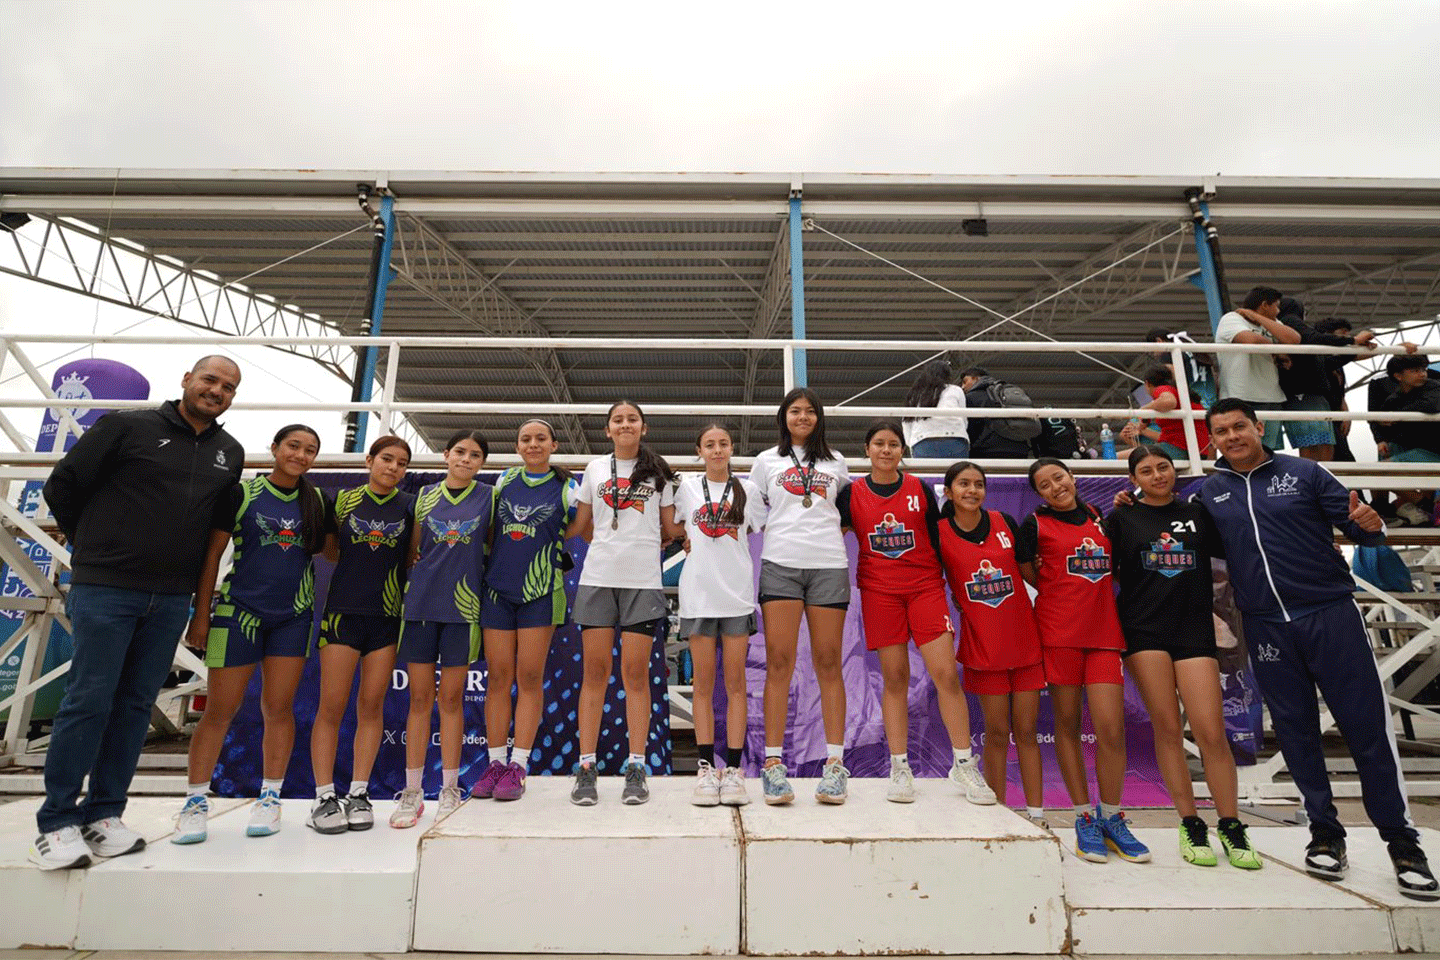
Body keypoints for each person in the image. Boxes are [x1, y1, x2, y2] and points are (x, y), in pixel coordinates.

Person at [1201, 398, 1437, 899]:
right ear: (1212, 440)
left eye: (1239, 426)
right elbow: (1181, 539)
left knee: (1366, 727)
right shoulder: (1210, 494)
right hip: (1266, 626)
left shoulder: (1304, 474)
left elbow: (1359, 529)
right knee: (1296, 731)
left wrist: (1372, 526)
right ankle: (1325, 835)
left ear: (1258, 426)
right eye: (1221, 431)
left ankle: (1403, 844)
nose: (1232, 436)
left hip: (1329, 614)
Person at [29, 356, 243, 870]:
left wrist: (197, 605)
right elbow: (62, 486)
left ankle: (104, 815)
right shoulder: (127, 425)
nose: (217, 391)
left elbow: (215, 531)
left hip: (170, 597)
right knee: (88, 701)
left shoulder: (227, 452)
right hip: (107, 587)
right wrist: (94, 543)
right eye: (210, 380)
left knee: (133, 706)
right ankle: (57, 821)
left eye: (228, 387)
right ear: (187, 379)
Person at [174, 424, 330, 843]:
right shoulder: (242, 493)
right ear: (275, 448)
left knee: (279, 709)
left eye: (310, 450)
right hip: (236, 615)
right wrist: (200, 615)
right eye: (293, 446)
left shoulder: (315, 499)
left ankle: (270, 798)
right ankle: (193, 802)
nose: (300, 455)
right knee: (219, 710)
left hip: (293, 619)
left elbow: (335, 551)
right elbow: (212, 555)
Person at [1108, 445, 1260, 868]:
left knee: (1211, 733)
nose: (1157, 475)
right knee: (1168, 730)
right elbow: (1109, 572)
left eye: (1163, 468)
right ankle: (1190, 824)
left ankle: (1231, 826)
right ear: (1133, 479)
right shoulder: (1120, 518)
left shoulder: (1198, 515)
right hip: (1144, 632)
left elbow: (1234, 554)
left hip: (1194, 632)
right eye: (1146, 470)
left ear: (1174, 472)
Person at [837, 421, 995, 805]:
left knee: (945, 675)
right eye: (879, 444)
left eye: (893, 444)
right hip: (879, 592)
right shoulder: (851, 494)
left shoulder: (920, 490)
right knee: (895, 678)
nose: (886, 450)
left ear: (903, 451)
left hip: (924, 589)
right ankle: (899, 767)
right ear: (867, 449)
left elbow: (942, 540)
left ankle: (962, 764)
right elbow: (828, 535)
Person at [1017, 458, 1149, 865]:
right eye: (1045, 484)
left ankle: (1111, 817)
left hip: (1104, 636)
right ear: (1038, 493)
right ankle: (1083, 818)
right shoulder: (1034, 526)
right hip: (1059, 637)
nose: (1055, 487)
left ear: (1072, 478)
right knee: (1068, 726)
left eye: (1059, 477)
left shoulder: (1100, 517)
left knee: (1111, 729)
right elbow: (1029, 573)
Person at [569, 401, 678, 806]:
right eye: (619, 420)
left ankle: (636, 766)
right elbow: (581, 526)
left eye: (632, 419)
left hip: (642, 584)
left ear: (643, 428)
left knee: (635, 676)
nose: (626, 424)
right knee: (594, 675)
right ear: (608, 429)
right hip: (597, 580)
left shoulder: (659, 473)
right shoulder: (595, 469)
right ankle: (586, 768)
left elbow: (669, 529)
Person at [750, 388, 853, 805]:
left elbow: (844, 515)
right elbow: (754, 514)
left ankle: (834, 765)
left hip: (828, 564)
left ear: (819, 418)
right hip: (780, 564)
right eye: (795, 411)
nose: (803, 417)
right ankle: (773, 765)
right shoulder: (765, 461)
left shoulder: (837, 462)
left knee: (829, 661)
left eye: (810, 411)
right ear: (783, 417)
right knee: (779, 662)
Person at [307, 435, 414, 833]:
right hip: (341, 616)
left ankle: (358, 792)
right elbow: (331, 552)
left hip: (386, 617)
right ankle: (323, 797)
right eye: (386, 459)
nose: (393, 468)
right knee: (331, 707)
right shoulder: (344, 501)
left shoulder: (410, 506)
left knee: (371, 707)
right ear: (369, 460)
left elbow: (411, 555)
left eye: (401, 463)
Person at [390, 430, 492, 829]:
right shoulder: (425, 498)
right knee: (419, 701)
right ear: (446, 454)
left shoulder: (488, 496)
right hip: (420, 607)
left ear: (482, 463)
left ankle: (450, 787)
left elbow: (490, 544)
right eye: (460, 452)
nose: (466, 460)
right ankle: (413, 791)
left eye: (475, 455)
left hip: (463, 611)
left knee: (451, 701)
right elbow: (414, 550)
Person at [935, 461, 1046, 824]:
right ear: (948, 492)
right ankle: (1000, 818)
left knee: (1027, 733)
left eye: (978, 484)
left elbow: (1033, 573)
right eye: (963, 484)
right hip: (983, 647)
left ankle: (1036, 814)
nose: (972, 490)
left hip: (1025, 640)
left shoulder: (1005, 523)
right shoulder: (938, 533)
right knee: (997, 733)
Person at [475, 419, 578, 802]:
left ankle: (518, 765)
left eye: (540, 439)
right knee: (499, 678)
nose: (533, 444)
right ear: (518, 446)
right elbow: (488, 533)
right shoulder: (504, 482)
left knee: (530, 677)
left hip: (541, 593)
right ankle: (494, 763)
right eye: (526, 439)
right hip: (498, 591)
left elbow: (581, 526)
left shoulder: (567, 486)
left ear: (553, 444)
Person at [674, 423, 766, 807]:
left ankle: (732, 770)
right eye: (709, 444)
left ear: (731, 449)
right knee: (703, 686)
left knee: (735, 685)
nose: (717, 450)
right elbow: (676, 528)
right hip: (698, 597)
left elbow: (755, 529)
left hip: (737, 598)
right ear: (699, 450)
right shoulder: (686, 488)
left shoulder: (750, 491)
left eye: (723, 443)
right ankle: (704, 768)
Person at [1275, 297, 1378, 462]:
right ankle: (1314, 484)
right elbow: (1314, 340)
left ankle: (1321, 483)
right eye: (1342, 333)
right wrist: (1354, 341)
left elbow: (1329, 362)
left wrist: (1354, 346)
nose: (1346, 336)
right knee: (1313, 444)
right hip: (1303, 394)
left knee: (1325, 446)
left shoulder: (1316, 354)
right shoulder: (1289, 320)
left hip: (1316, 397)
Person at [1213, 285, 1301, 450]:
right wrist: (1277, 350)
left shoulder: (1272, 323)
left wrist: (1257, 317)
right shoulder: (1232, 318)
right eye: (1276, 305)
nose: (1278, 310)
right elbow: (1251, 341)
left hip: (1273, 397)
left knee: (1269, 451)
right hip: (1242, 396)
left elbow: (1294, 339)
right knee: (1244, 449)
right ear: (1265, 305)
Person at [1375, 354, 1440, 527]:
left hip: (1434, 451)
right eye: (1415, 371)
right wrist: (1381, 439)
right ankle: (1387, 508)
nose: (1422, 374)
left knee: (1380, 471)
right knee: (1382, 457)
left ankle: (1425, 506)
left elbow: (1432, 406)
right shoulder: (1395, 398)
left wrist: (1398, 417)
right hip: (1417, 448)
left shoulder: (1434, 388)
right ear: (1398, 376)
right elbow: (1379, 419)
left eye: (1423, 370)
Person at [1120, 366, 1211, 462]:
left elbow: (1169, 401)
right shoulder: (1177, 393)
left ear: (1147, 384)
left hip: (1181, 450)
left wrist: (1144, 409)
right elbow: (1168, 437)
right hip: (1196, 450)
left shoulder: (1162, 389)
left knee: (1115, 458)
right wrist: (1142, 428)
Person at [960, 367, 1034, 461]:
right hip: (1019, 449)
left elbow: (971, 428)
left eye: (965, 381)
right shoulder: (1006, 393)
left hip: (986, 451)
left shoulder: (971, 397)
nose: (963, 387)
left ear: (976, 378)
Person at [902, 359, 969, 459]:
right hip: (956, 440)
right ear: (947, 375)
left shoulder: (915, 394)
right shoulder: (956, 390)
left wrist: (912, 444)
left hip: (922, 442)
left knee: (925, 475)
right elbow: (964, 420)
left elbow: (907, 423)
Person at [1145, 328, 1219, 411]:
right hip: (1210, 396)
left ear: (1159, 341)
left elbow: (1174, 377)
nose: (1155, 355)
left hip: (1195, 400)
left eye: (1153, 351)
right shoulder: (1191, 349)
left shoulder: (1168, 353)